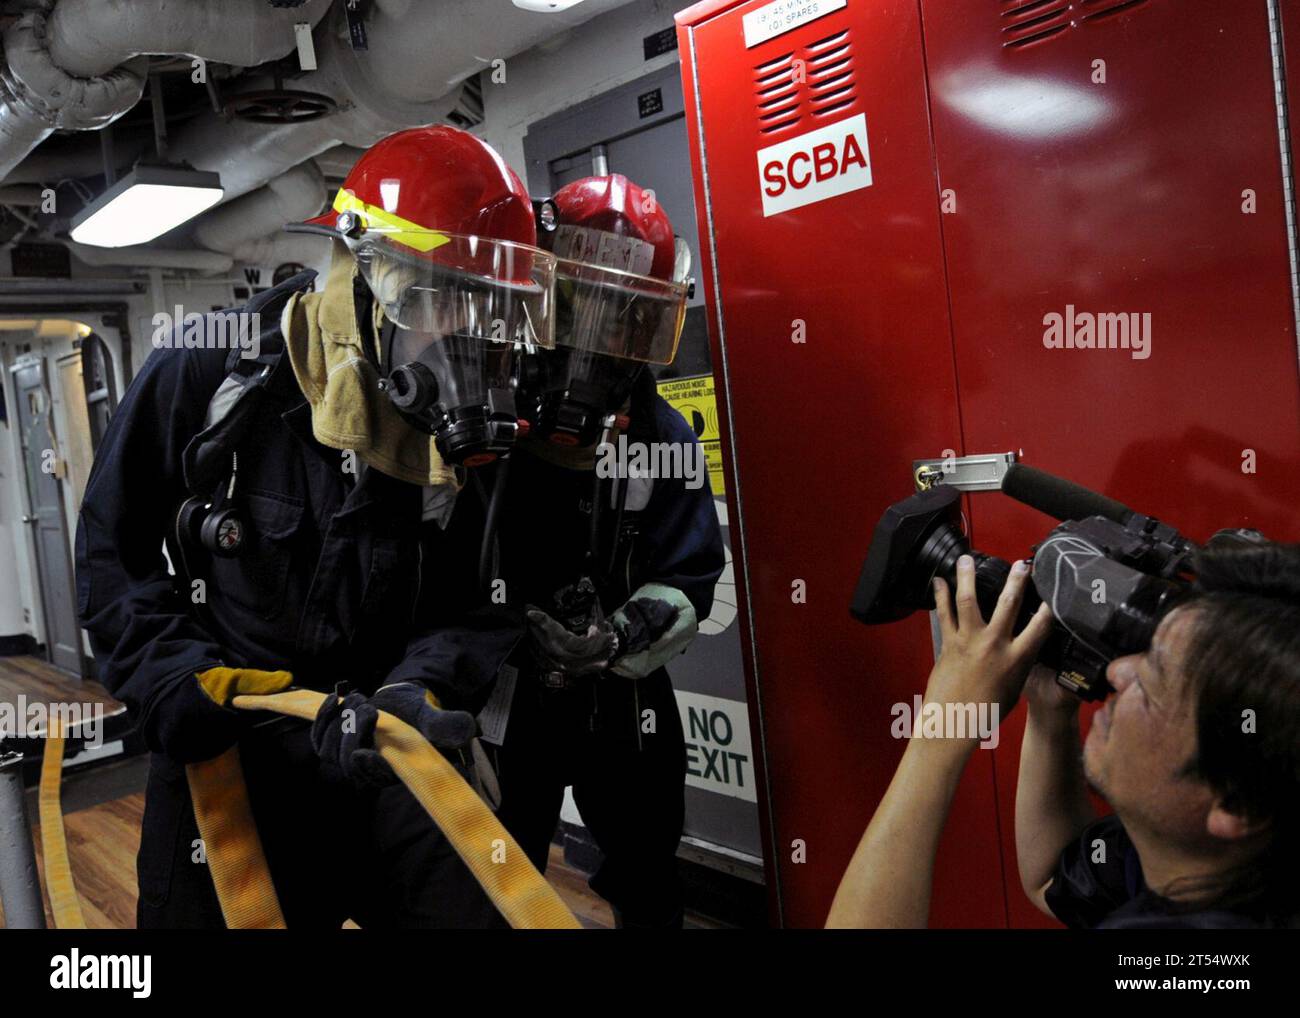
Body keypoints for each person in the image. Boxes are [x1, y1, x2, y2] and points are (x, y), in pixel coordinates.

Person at [74, 125, 554, 928]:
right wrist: (179, 679)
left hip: (387, 746)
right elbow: (110, 553)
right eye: (433, 297)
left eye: (482, 305)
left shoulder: (472, 433)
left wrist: (419, 686)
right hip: (235, 749)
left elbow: (488, 595)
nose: (460, 337)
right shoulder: (211, 370)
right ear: (360, 278)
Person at [427, 174, 725, 928]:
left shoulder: (662, 438)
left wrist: (615, 638)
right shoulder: (477, 422)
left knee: (648, 876)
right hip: (501, 699)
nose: (597, 342)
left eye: (625, 318)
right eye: (575, 308)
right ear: (534, 302)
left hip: (622, 698)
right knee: (497, 882)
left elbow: (690, 575)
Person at [825, 542, 1300, 928]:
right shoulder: (1225, 862)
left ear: (1234, 804)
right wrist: (1050, 712)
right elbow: (1054, 880)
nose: (1117, 672)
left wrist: (945, 727)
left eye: (1153, 681)